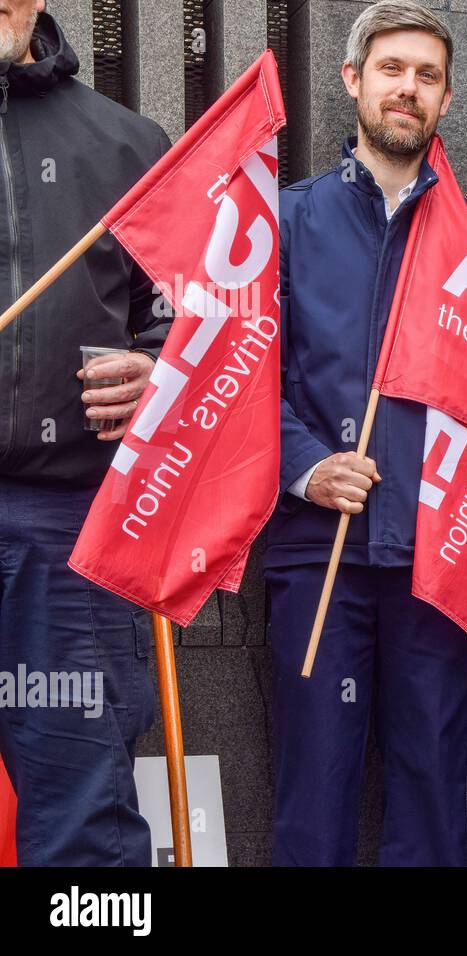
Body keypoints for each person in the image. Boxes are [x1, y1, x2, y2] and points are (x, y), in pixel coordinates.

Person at [270, 0, 467, 866]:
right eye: (391, 70)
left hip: (435, 561)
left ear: (445, 99)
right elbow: (244, 376)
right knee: (313, 790)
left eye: (427, 76)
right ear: (353, 82)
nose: (407, 88)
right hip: (316, 552)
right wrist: (306, 469)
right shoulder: (286, 221)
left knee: (430, 788)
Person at [0, 1, 172, 865]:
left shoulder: (130, 146)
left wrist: (158, 369)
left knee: (85, 820)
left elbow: (197, 320)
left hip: (65, 532)